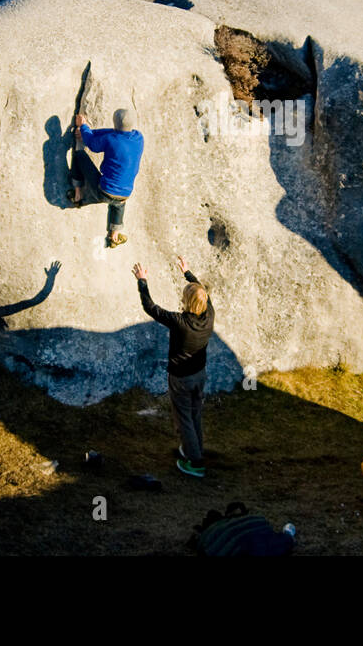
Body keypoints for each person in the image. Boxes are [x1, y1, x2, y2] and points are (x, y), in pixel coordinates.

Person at [132, 256, 214, 478]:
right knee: (195, 413)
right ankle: (194, 449)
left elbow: (150, 308)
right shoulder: (209, 315)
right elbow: (203, 292)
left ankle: (195, 462)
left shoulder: (180, 322)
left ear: (186, 301)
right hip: (199, 374)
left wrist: (142, 281)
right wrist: (187, 273)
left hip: (181, 378)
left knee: (184, 418)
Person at [69, 107, 143, 248]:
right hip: (125, 194)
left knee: (79, 155)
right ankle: (114, 235)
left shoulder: (111, 139)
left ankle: (78, 193)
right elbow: (114, 133)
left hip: (102, 191)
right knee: (119, 203)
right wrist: (89, 133)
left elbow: (92, 144)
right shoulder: (139, 137)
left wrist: (83, 128)